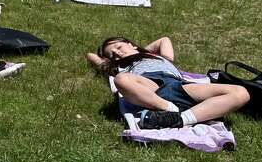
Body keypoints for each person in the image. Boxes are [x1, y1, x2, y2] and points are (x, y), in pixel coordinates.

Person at [87, 37, 250, 130]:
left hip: (177, 84)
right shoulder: (120, 67)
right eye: (113, 54)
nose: (117, 52)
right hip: (149, 88)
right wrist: (114, 59)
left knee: (240, 93)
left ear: (131, 44)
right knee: (121, 80)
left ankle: (178, 119)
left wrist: (140, 51)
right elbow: (91, 56)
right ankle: (173, 110)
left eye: (119, 47)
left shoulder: (160, 58)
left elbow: (164, 40)